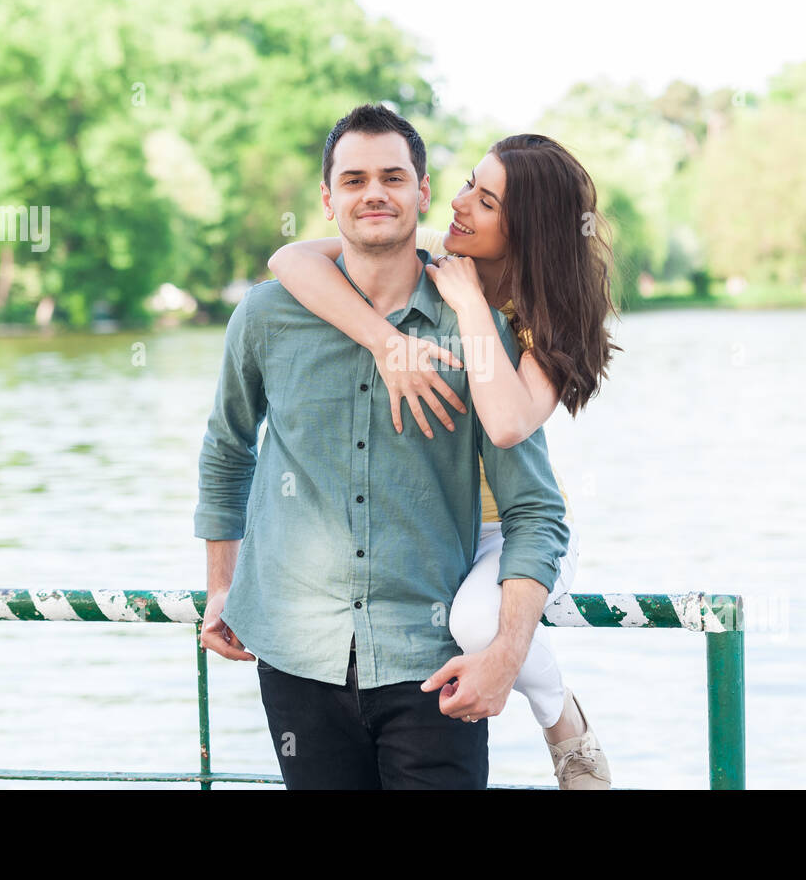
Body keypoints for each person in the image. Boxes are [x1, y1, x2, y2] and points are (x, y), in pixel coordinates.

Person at [195, 103, 571, 790]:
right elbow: (226, 452)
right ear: (328, 198)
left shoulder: (476, 330)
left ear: (423, 193)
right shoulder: (265, 315)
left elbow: (534, 511)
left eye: (394, 177)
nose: (375, 193)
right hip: (297, 658)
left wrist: (506, 653)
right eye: (355, 179)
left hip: (432, 666)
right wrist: (223, 583)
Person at [267, 133, 621, 789]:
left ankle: (560, 717)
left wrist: (468, 306)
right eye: (467, 183)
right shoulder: (433, 249)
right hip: (437, 522)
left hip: (510, 531)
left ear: (525, 229)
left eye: (484, 201)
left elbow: (510, 422)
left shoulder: (547, 319)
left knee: (472, 622)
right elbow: (290, 259)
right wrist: (385, 340)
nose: (459, 203)